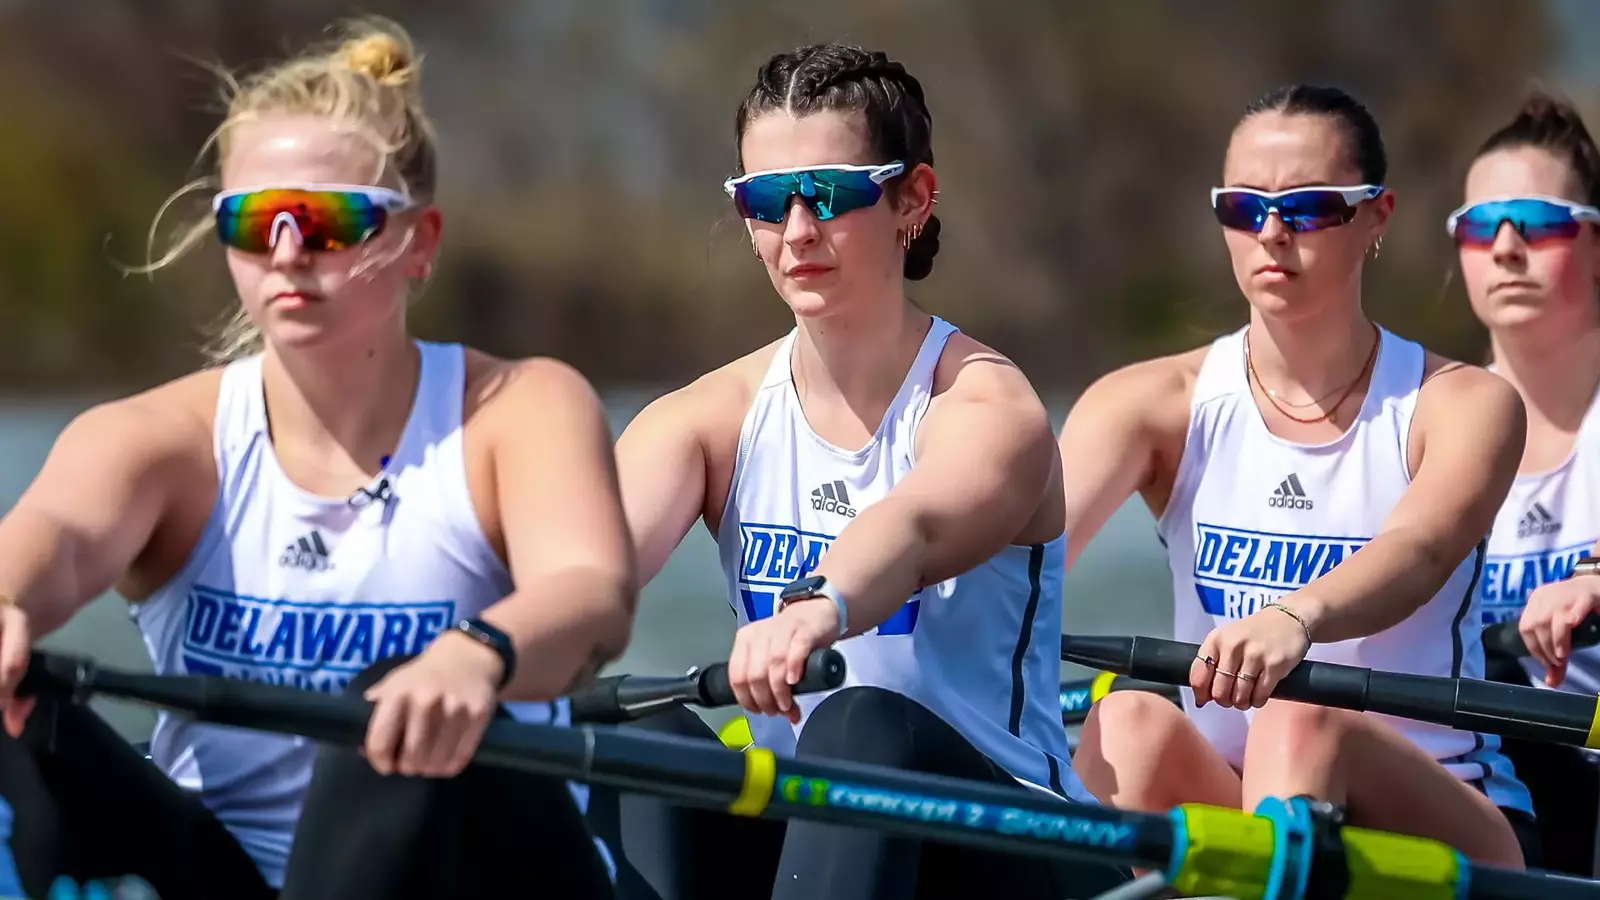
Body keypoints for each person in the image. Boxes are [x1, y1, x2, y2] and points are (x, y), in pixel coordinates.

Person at [0, 18, 633, 900]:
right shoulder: (160, 438)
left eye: (329, 220)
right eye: (255, 221)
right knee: (16, 713)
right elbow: (57, 533)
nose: (288, 252)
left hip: (480, 868)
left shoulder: (518, 409)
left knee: (389, 704)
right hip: (230, 875)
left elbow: (592, 597)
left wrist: (477, 654)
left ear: (420, 242)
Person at [589, 42, 1131, 900]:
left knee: (860, 719)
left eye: (832, 195)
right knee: (634, 737)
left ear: (912, 199)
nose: (798, 230)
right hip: (824, 848)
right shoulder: (706, 418)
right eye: (768, 200)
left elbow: (911, 529)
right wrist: (485, 646)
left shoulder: (989, 406)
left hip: (1018, 844)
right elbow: (586, 567)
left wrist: (818, 608)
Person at [1058, 83, 1540, 869]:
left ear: (1376, 217)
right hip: (1238, 803)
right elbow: (1026, 555)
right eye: (1244, 209)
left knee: (1297, 718)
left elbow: (1418, 551)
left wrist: (1298, 617)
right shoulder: (1148, 404)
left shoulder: (1461, 405)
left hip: (1445, 821)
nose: (1272, 233)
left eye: (1308, 208)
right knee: (1124, 720)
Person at [1453, 90, 1600, 875]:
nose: (1506, 246)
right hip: (1495, 777)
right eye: (1480, 226)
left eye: (1539, 222)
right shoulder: (1426, 428)